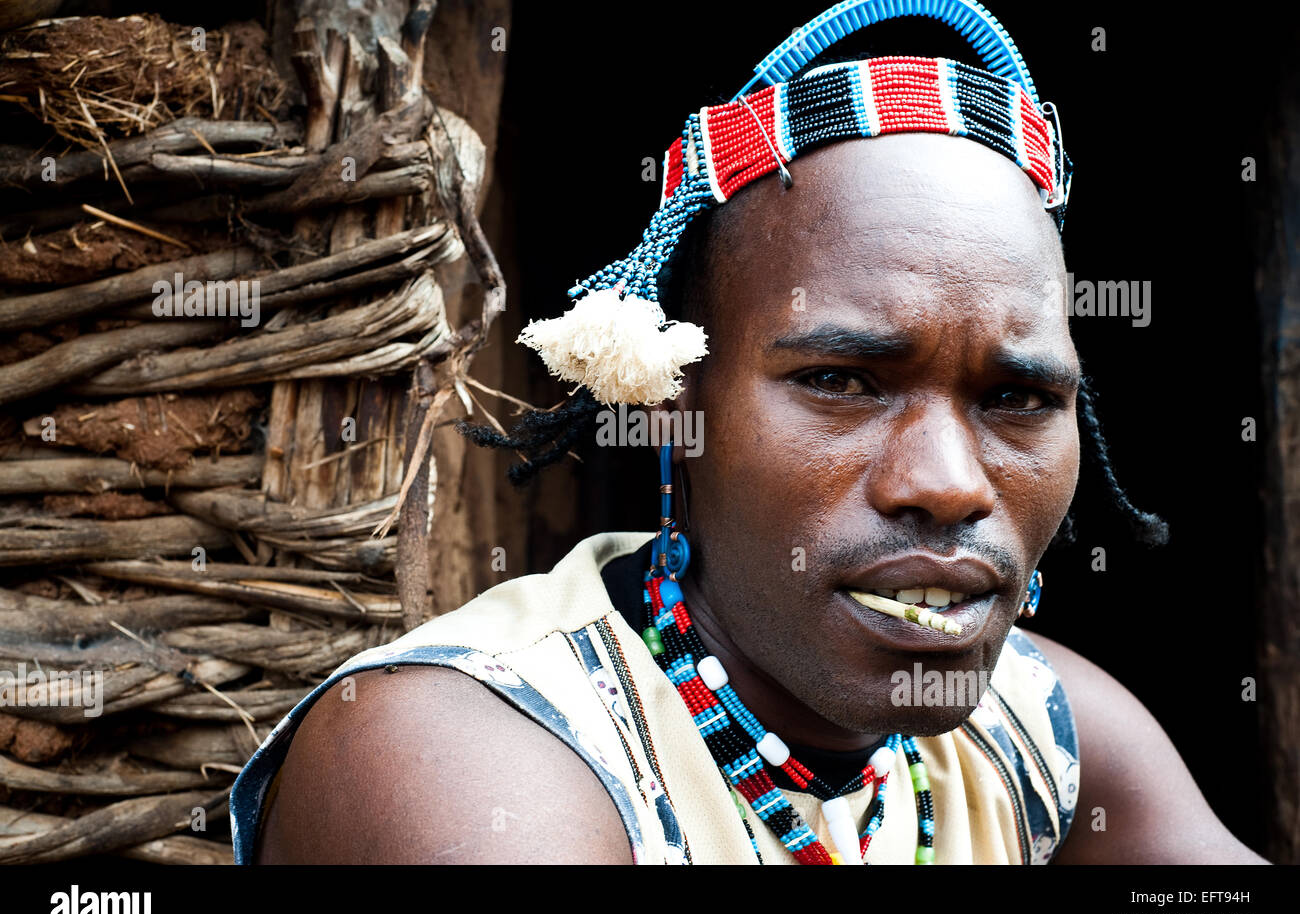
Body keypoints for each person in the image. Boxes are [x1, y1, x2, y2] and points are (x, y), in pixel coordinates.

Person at [230, 1, 1268, 864]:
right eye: (842, 380)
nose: (950, 484)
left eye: (1016, 400)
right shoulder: (463, 762)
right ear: (678, 402)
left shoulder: (1037, 730)